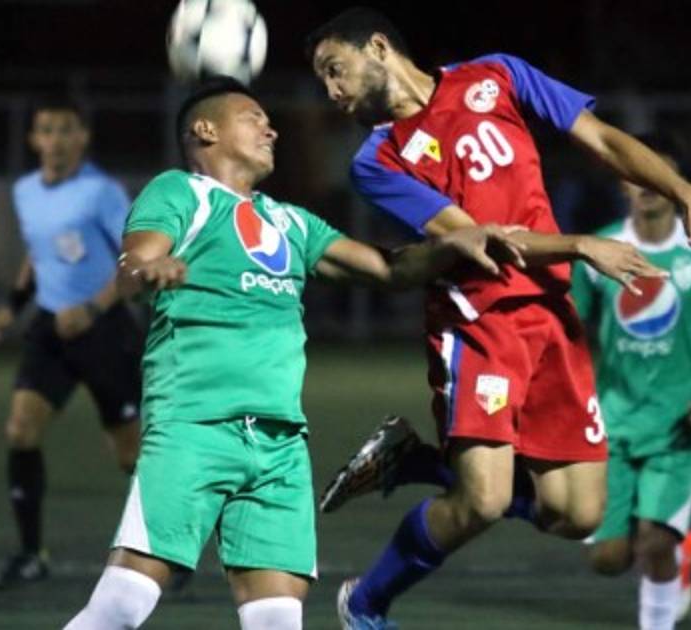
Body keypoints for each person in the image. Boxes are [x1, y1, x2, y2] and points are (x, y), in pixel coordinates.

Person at [305, 8, 691, 627]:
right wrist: (578, 245)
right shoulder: (378, 160)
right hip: (478, 321)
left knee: (580, 516)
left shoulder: (498, 75)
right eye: (324, 80)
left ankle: (413, 462)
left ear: (378, 47)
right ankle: (367, 601)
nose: (331, 91)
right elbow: (475, 238)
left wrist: (689, 194)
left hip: (551, 315)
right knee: (483, 502)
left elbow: (603, 139)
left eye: (335, 70)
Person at [63, 77, 533, 630]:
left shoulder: (292, 222)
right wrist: (149, 270)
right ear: (205, 130)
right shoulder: (179, 193)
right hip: (195, 426)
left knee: (279, 623)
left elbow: (387, 268)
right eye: (253, 116)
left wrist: (457, 242)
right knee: (121, 605)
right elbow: (134, 263)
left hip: (280, 446)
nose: (272, 127)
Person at [570, 140, 691, 630]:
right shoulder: (599, 250)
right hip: (614, 421)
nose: (647, 186)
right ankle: (673, 548)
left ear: (674, 188)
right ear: (623, 182)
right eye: (638, 175)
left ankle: (665, 556)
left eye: (659, 176)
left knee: (653, 543)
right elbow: (570, 330)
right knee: (608, 558)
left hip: (680, 423)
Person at [0, 98, 143, 589]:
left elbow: (137, 262)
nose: (55, 140)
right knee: (21, 430)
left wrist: (91, 308)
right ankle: (31, 553)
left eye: (65, 130)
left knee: (130, 456)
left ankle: (163, 551)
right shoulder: (26, 190)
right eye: (46, 130)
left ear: (82, 138)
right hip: (50, 331)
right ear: (33, 140)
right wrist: (12, 306)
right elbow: (38, 253)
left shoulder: (102, 192)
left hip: (107, 333)